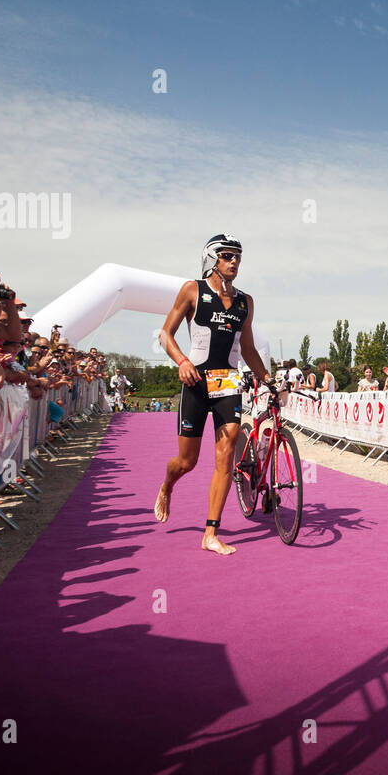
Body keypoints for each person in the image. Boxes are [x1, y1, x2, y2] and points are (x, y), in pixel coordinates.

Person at [154, 233, 271, 555]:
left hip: (227, 383)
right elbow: (166, 333)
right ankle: (167, 484)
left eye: (237, 257)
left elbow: (247, 348)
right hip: (196, 380)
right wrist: (181, 361)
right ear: (212, 259)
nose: (234, 262)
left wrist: (268, 378)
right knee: (187, 462)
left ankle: (210, 533)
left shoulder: (246, 301)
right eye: (227, 256)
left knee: (226, 451)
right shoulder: (193, 289)